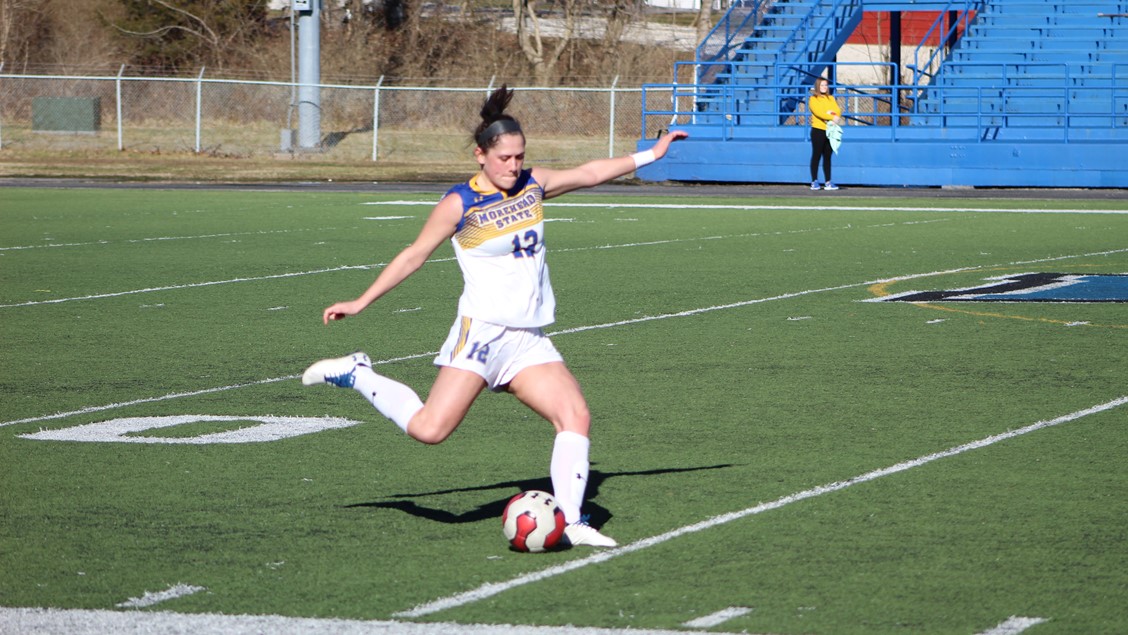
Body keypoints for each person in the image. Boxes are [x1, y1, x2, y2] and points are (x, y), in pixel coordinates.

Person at [302, 85, 688, 548]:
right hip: (482, 334)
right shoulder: (460, 203)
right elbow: (414, 255)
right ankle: (357, 373)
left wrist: (651, 154)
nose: (513, 165)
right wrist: (361, 301)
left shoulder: (532, 185)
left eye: (520, 156)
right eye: (504, 158)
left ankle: (572, 520)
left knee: (575, 415)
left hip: (527, 338)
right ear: (480, 155)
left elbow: (589, 173)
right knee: (429, 430)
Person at [808, 77, 841, 191]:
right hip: (818, 130)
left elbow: (837, 110)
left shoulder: (830, 98)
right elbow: (819, 112)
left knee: (827, 156)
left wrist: (833, 115)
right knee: (816, 155)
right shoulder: (813, 99)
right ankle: (814, 181)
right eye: (822, 85)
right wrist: (831, 116)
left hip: (830, 130)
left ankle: (828, 181)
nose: (824, 87)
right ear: (818, 86)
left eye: (826, 85)